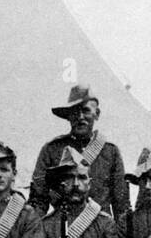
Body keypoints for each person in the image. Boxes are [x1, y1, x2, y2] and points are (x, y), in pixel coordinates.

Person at [28, 84, 128, 225]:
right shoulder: (51, 150)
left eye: (86, 111)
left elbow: (121, 204)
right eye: (75, 112)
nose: (80, 117)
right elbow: (38, 201)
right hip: (61, 229)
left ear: (97, 114)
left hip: (101, 231)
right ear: (69, 116)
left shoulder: (110, 152)